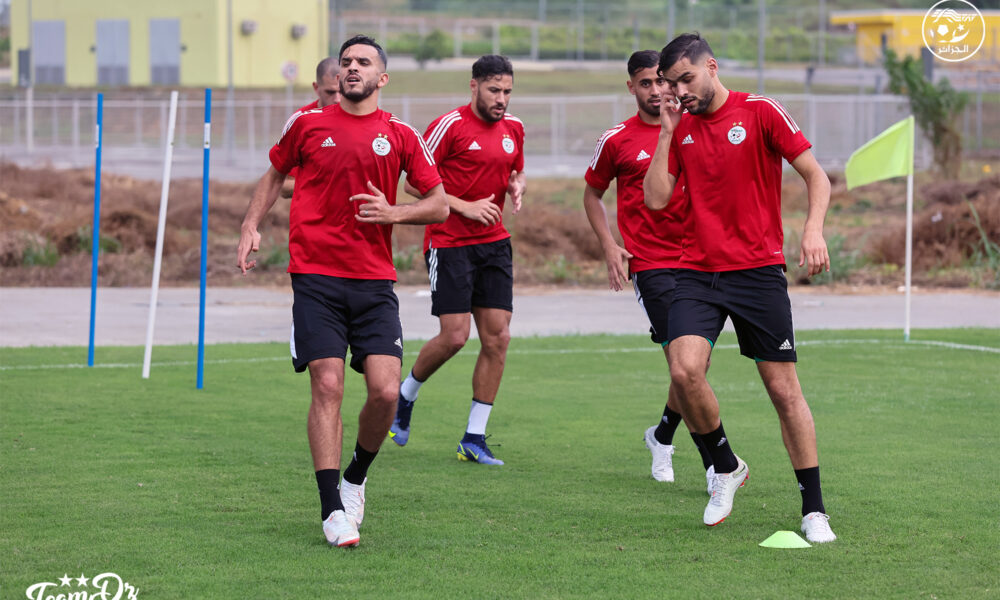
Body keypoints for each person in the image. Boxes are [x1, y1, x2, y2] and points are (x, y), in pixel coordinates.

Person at [236, 35, 448, 548]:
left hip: (374, 281)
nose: (352, 68)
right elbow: (274, 175)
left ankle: (356, 476)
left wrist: (394, 212)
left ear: (382, 77)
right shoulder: (307, 124)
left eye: (364, 62)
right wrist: (250, 225)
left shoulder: (400, 134)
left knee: (385, 392)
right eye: (347, 61)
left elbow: (439, 203)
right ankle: (332, 507)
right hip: (315, 277)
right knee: (328, 384)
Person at [643, 33, 837, 543]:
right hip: (696, 271)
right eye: (672, 84)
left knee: (784, 391)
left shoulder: (761, 112)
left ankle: (814, 510)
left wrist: (813, 229)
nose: (680, 91)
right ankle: (725, 465)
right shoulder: (680, 127)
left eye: (687, 79)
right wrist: (666, 133)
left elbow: (817, 176)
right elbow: (656, 200)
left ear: (711, 66)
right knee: (684, 370)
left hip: (757, 272)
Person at [583, 50, 715, 489]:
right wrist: (609, 245)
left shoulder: (694, 126)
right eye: (646, 83)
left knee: (693, 369)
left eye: (662, 81)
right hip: (652, 262)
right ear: (631, 87)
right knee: (684, 366)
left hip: (701, 260)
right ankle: (716, 465)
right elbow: (592, 194)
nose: (657, 91)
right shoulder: (616, 139)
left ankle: (661, 436)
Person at [389, 55, 526, 466]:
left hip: (494, 243)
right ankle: (404, 396)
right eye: (494, 90)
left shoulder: (514, 128)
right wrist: (464, 206)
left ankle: (474, 437)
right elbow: (414, 184)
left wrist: (517, 185)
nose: (501, 99)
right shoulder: (449, 126)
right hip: (449, 243)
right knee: (454, 337)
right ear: (474, 86)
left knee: (498, 338)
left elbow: (515, 170)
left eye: (507, 92)